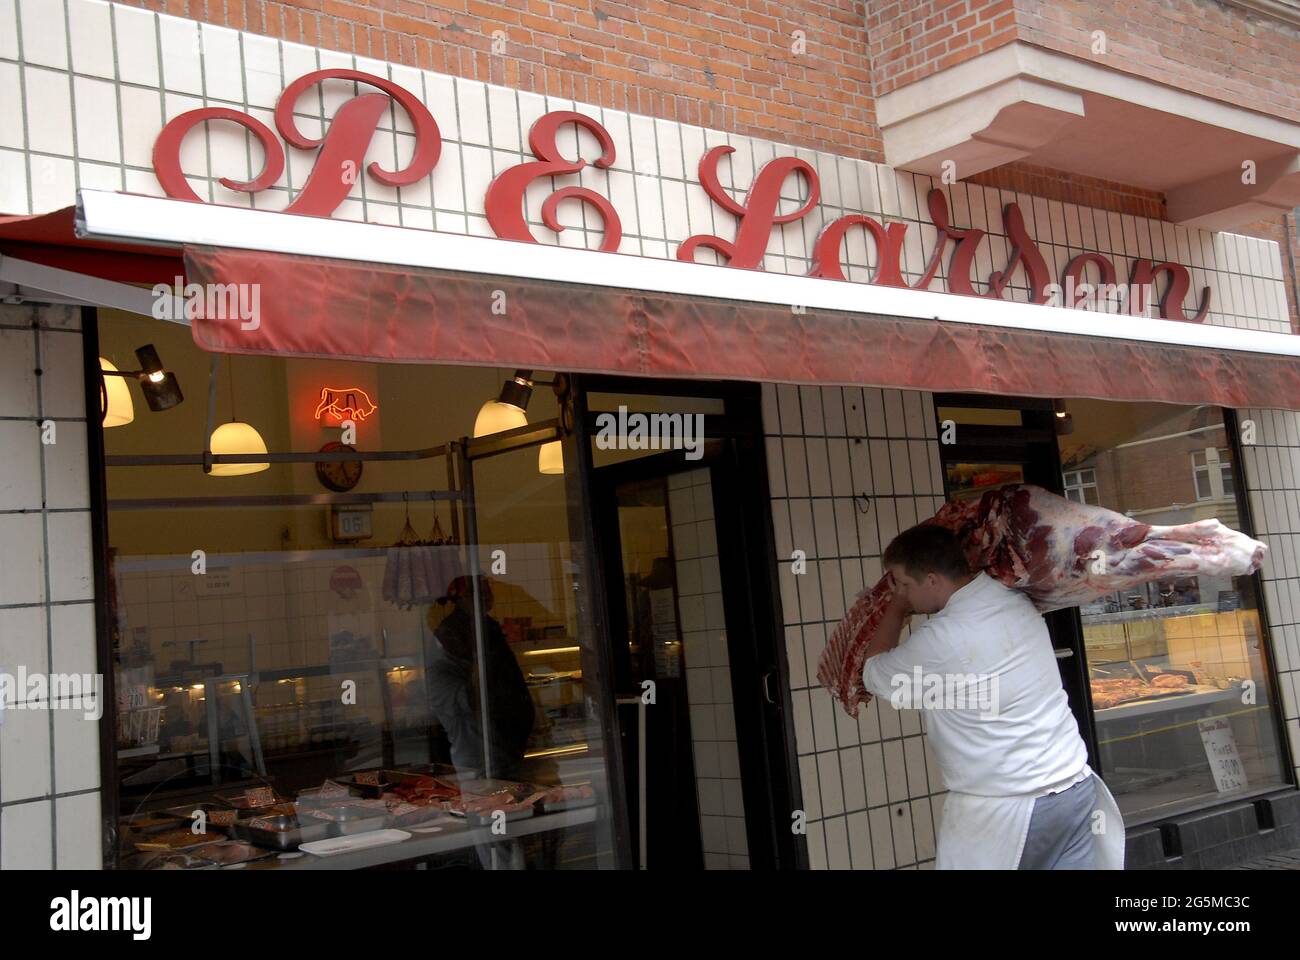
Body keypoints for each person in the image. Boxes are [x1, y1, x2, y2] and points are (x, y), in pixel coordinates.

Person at [862, 523, 1124, 870]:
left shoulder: (941, 638)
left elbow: (874, 675)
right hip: (1073, 789)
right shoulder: (1013, 599)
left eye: (904, 585)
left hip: (1005, 809)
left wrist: (895, 608)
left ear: (931, 579)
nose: (903, 593)